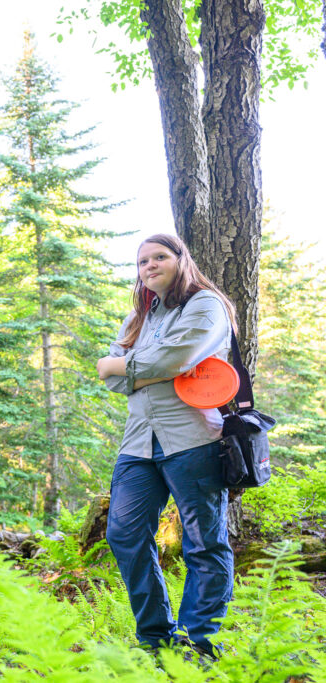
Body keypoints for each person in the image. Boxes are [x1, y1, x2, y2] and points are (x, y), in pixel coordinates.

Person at [96, 234, 235, 657]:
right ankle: (155, 637)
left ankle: (197, 641)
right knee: (124, 534)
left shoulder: (206, 305)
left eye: (160, 256)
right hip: (138, 442)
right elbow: (115, 379)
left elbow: (179, 357)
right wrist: (153, 367)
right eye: (142, 262)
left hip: (193, 438)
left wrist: (126, 364)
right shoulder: (139, 317)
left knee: (203, 543)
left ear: (181, 260)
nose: (150, 265)